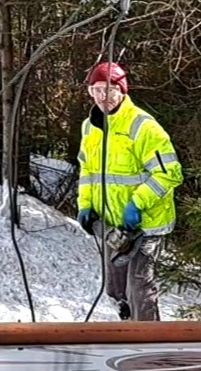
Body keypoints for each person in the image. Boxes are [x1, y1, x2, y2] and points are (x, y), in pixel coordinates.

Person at [75, 61, 182, 321]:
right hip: (113, 225)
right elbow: (87, 171)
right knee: (115, 287)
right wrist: (85, 205)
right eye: (97, 90)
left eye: (110, 90)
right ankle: (127, 324)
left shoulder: (143, 127)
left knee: (139, 286)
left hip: (146, 223)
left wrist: (137, 204)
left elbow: (170, 173)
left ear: (122, 91)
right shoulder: (90, 127)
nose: (103, 96)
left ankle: (147, 340)